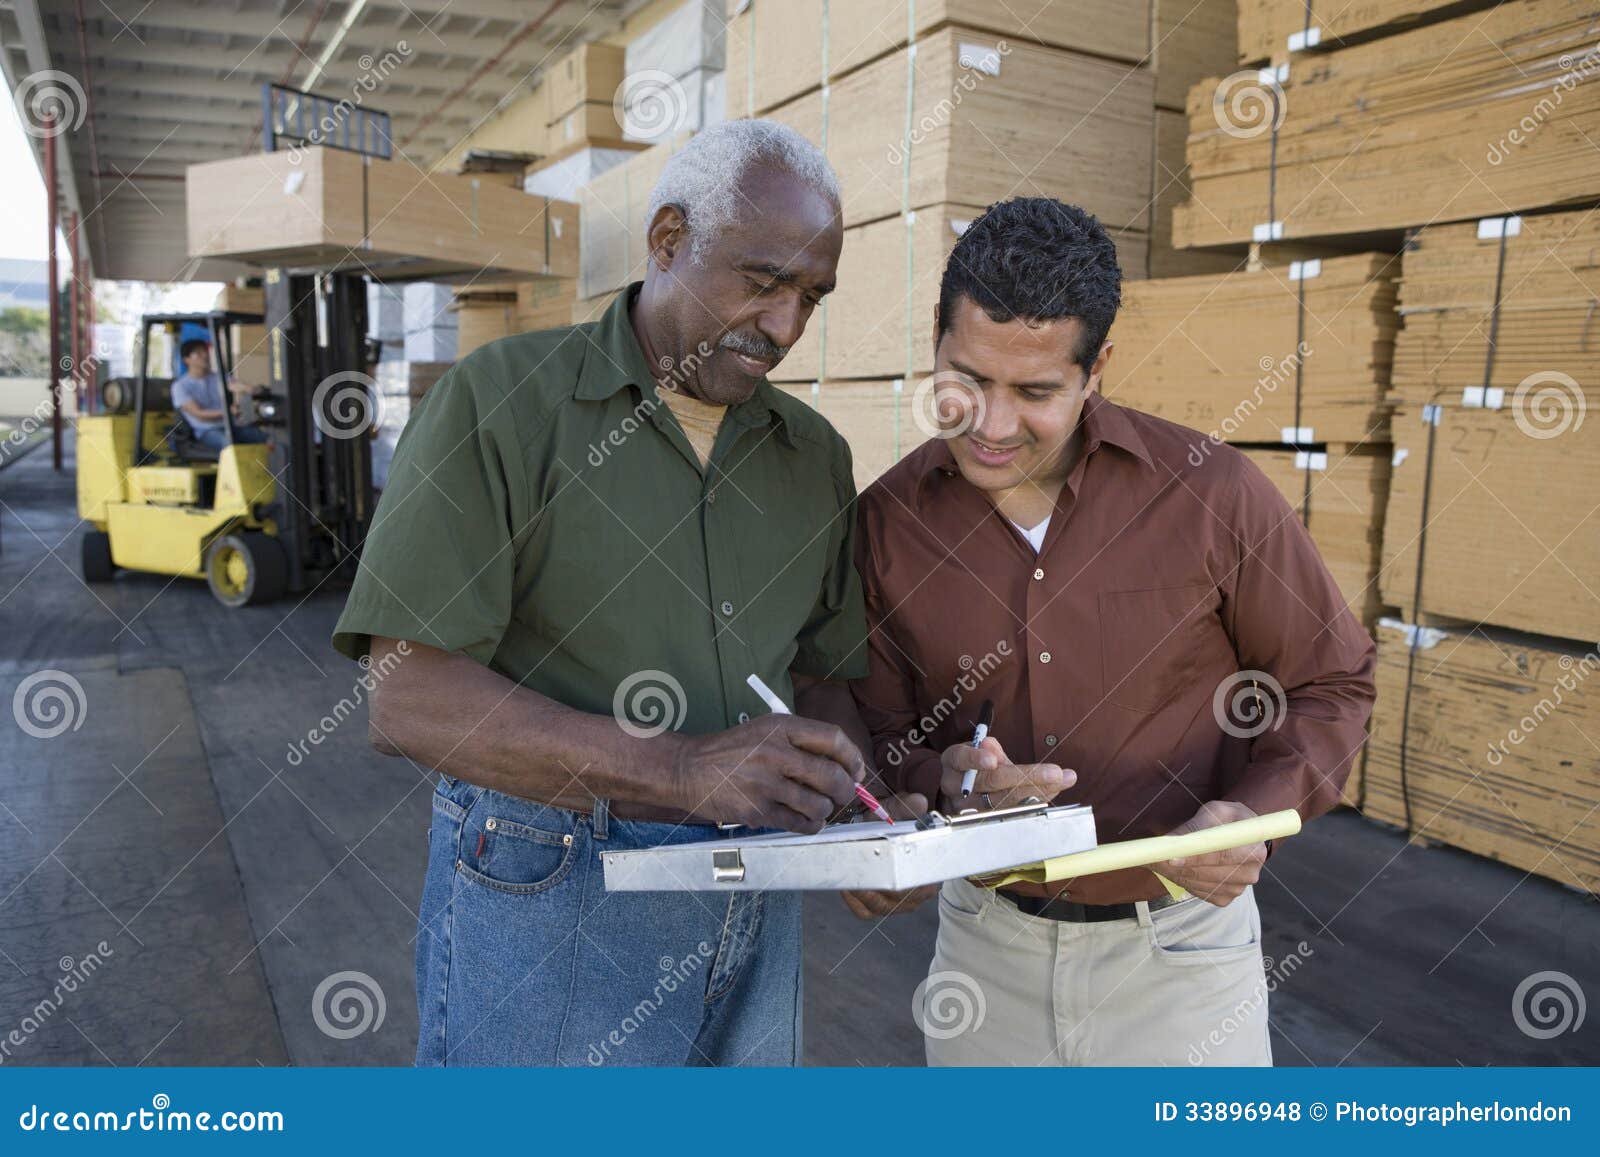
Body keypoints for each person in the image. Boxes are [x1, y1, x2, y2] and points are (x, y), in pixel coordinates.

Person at [331, 120, 919, 1067]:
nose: (785, 326)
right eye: (763, 281)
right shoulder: (504, 402)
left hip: (756, 887)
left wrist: (866, 809)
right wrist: (684, 769)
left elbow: (820, 679)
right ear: (669, 240)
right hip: (553, 883)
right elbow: (407, 697)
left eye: (811, 296)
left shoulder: (814, 457)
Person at [847, 197, 1376, 1066]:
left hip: (1182, 958)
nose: (992, 423)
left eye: (1036, 391)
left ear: (1098, 372)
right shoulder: (886, 524)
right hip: (985, 955)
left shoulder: (1213, 496)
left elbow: (1331, 682)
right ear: (937, 344)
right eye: (967, 379)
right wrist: (938, 778)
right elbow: (879, 731)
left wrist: (1256, 812)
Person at [170, 339, 268, 451]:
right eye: (198, 353)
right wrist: (227, 411)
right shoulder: (180, 386)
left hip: (231, 426)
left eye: (205, 351)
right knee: (229, 444)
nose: (205, 355)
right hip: (206, 430)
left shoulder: (218, 377)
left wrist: (253, 389)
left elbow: (234, 385)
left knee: (264, 437)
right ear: (186, 360)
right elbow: (199, 413)